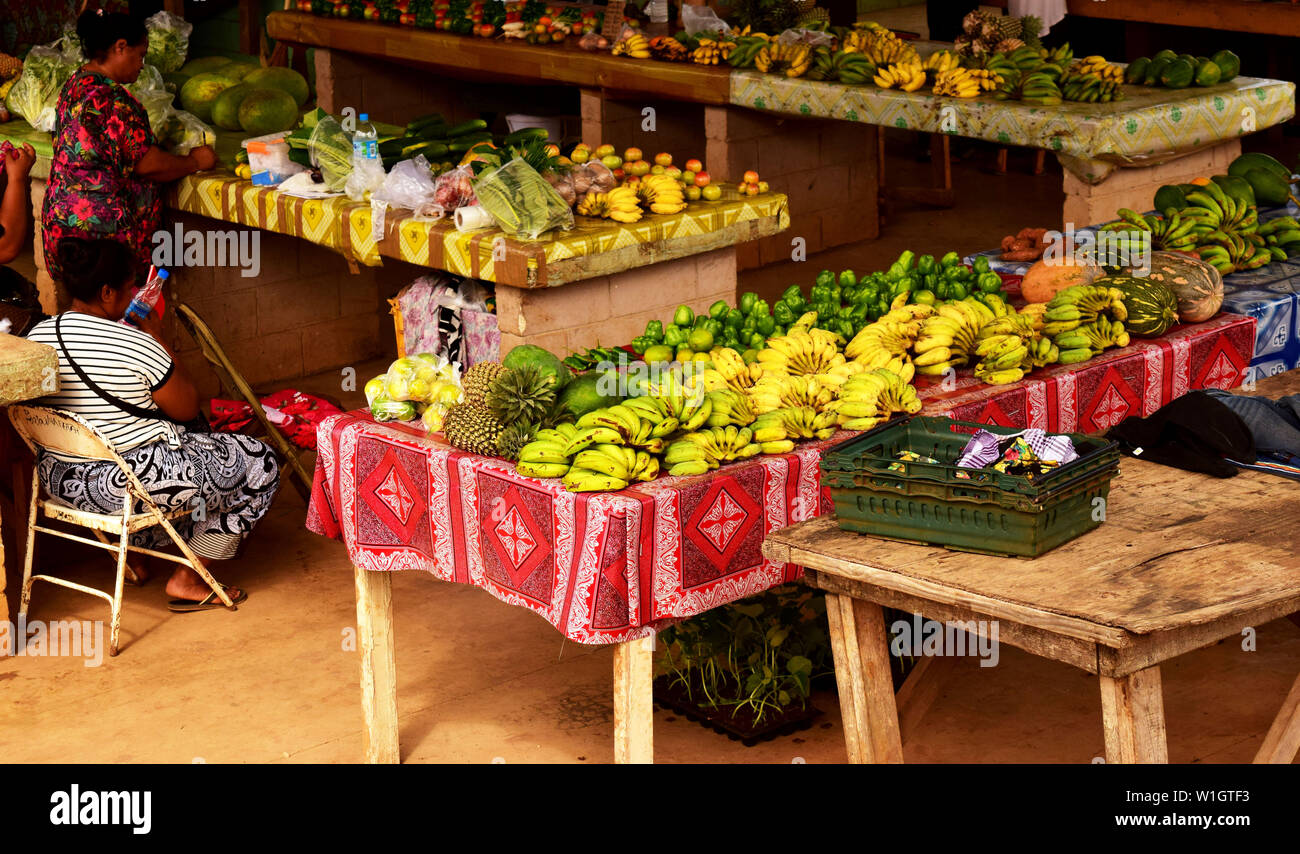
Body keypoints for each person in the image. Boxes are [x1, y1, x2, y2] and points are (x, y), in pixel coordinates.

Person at [26, 237, 279, 611]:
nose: (135, 294)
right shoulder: (134, 343)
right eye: (130, 286)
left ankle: (136, 554)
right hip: (125, 489)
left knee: (188, 459)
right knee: (261, 462)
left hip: (62, 481)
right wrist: (158, 338)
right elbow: (187, 408)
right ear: (108, 292)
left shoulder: (39, 336)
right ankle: (187, 578)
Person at [41, 9, 217, 288]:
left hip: (63, 220)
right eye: (140, 54)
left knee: (88, 312)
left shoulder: (75, 84)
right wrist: (194, 161)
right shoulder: (110, 98)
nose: (142, 64)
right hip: (103, 233)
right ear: (120, 47)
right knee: (116, 313)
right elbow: (148, 164)